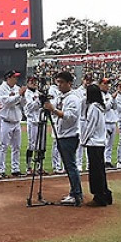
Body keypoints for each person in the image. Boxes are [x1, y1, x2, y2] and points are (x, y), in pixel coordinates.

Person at [44, 71, 82, 206]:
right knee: (69, 165)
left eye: (61, 82)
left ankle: (76, 193)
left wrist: (53, 110)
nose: (58, 85)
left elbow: (71, 117)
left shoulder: (73, 99)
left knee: (70, 165)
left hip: (69, 135)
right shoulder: (61, 97)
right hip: (61, 134)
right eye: (57, 82)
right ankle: (74, 192)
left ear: (69, 83)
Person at [80, 84, 113, 207]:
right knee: (100, 170)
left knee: (94, 171)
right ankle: (105, 194)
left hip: (93, 142)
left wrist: (83, 139)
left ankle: (99, 196)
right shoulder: (100, 107)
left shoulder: (93, 107)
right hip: (100, 142)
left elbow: (90, 125)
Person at [0, 70, 26, 177]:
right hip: (5, 121)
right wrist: (18, 96)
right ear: (8, 78)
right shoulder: (1, 89)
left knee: (16, 147)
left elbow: (23, 103)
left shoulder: (17, 88)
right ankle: (1, 169)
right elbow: (6, 102)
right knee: (3, 146)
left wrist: (23, 96)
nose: (16, 79)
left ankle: (15, 168)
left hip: (16, 121)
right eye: (14, 77)